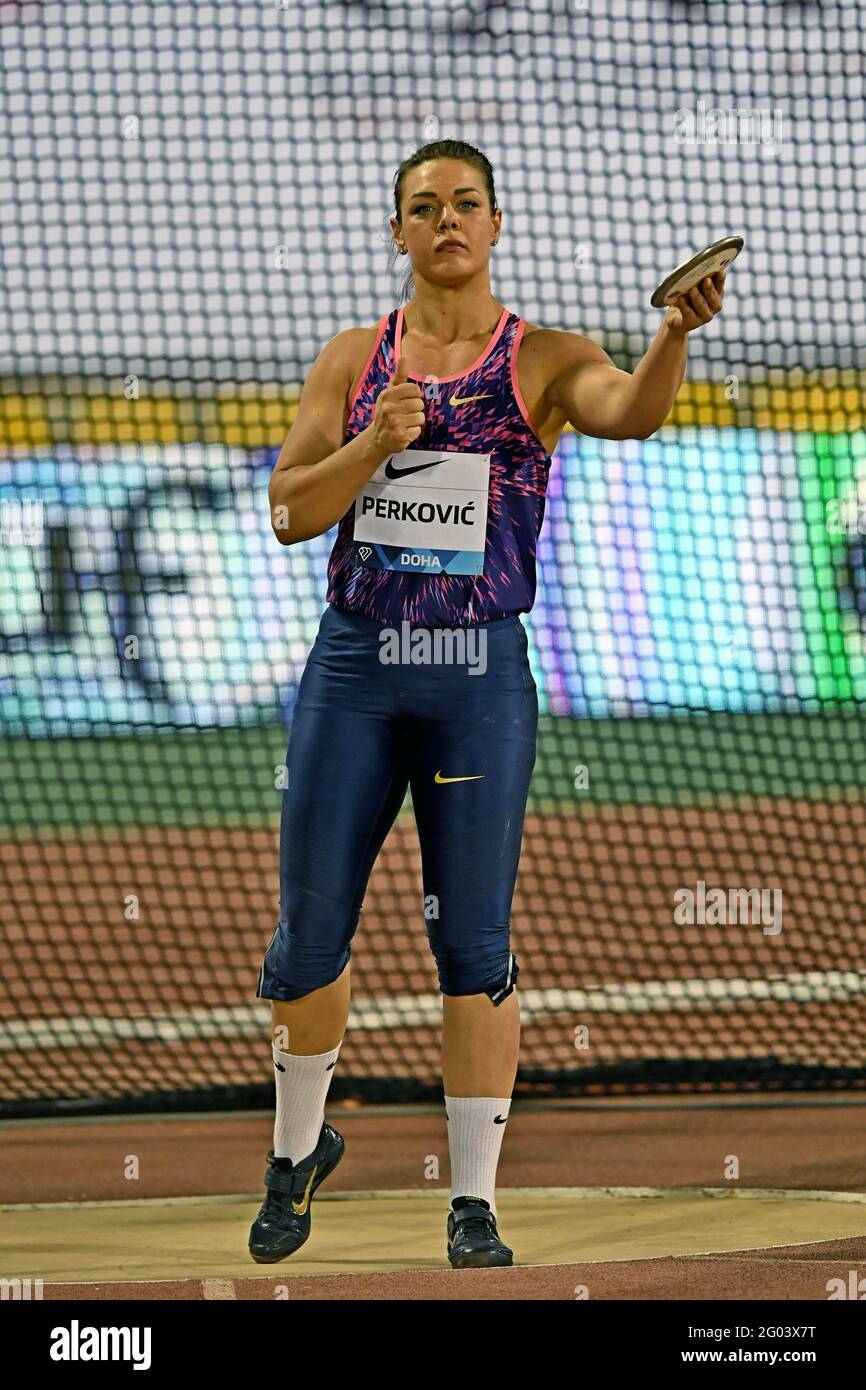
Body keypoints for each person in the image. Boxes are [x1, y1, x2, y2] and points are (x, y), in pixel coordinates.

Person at [248, 139, 726, 1270]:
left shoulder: (545, 358)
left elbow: (631, 414)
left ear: (496, 223)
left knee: (472, 942)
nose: (446, 221)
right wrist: (373, 440)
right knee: (306, 940)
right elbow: (284, 511)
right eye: (424, 207)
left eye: (465, 203)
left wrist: (671, 334)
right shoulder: (353, 359)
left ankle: (471, 1201)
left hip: (474, 679)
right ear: (399, 232)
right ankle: (293, 1157)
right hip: (357, 669)